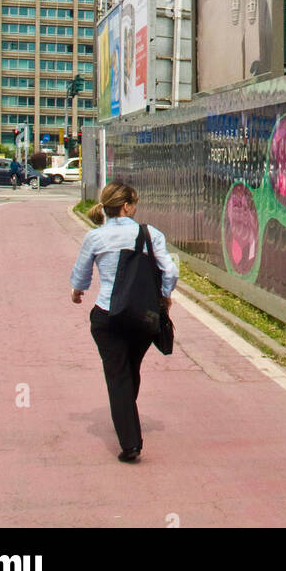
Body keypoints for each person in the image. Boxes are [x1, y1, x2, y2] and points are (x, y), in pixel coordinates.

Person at [70, 182, 177, 462]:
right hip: (143, 316)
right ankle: (128, 424)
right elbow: (170, 270)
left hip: (107, 315)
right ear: (127, 206)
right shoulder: (150, 234)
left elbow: (81, 274)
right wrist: (165, 296)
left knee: (117, 375)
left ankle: (130, 443)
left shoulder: (95, 237)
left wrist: (78, 291)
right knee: (131, 369)